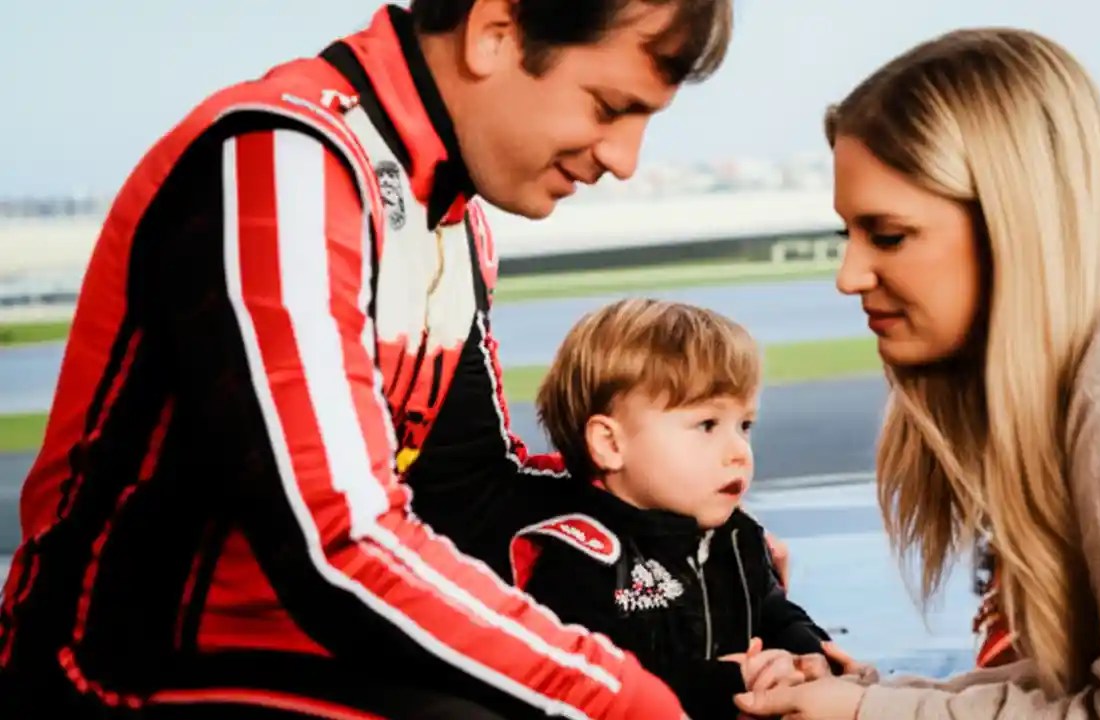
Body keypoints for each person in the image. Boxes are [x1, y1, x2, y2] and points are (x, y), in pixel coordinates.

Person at [0, 1, 737, 717]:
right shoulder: (285, 155)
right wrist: (623, 699)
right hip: (106, 675)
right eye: (610, 107)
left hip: (316, 658)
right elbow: (341, 545)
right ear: (494, 32)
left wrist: (670, 538)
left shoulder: (453, 215)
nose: (625, 160)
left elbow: (469, 492)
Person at [733, 27, 1100, 720]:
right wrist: (869, 699)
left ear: (1009, 221)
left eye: (890, 235)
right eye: (851, 236)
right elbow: (1094, 681)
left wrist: (867, 714)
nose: (850, 277)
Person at [409, 297, 861, 720]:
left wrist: (810, 654)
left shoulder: (737, 535)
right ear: (610, 443)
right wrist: (731, 681)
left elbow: (773, 609)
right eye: (707, 424)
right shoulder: (581, 553)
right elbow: (599, 679)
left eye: (744, 425)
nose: (739, 451)